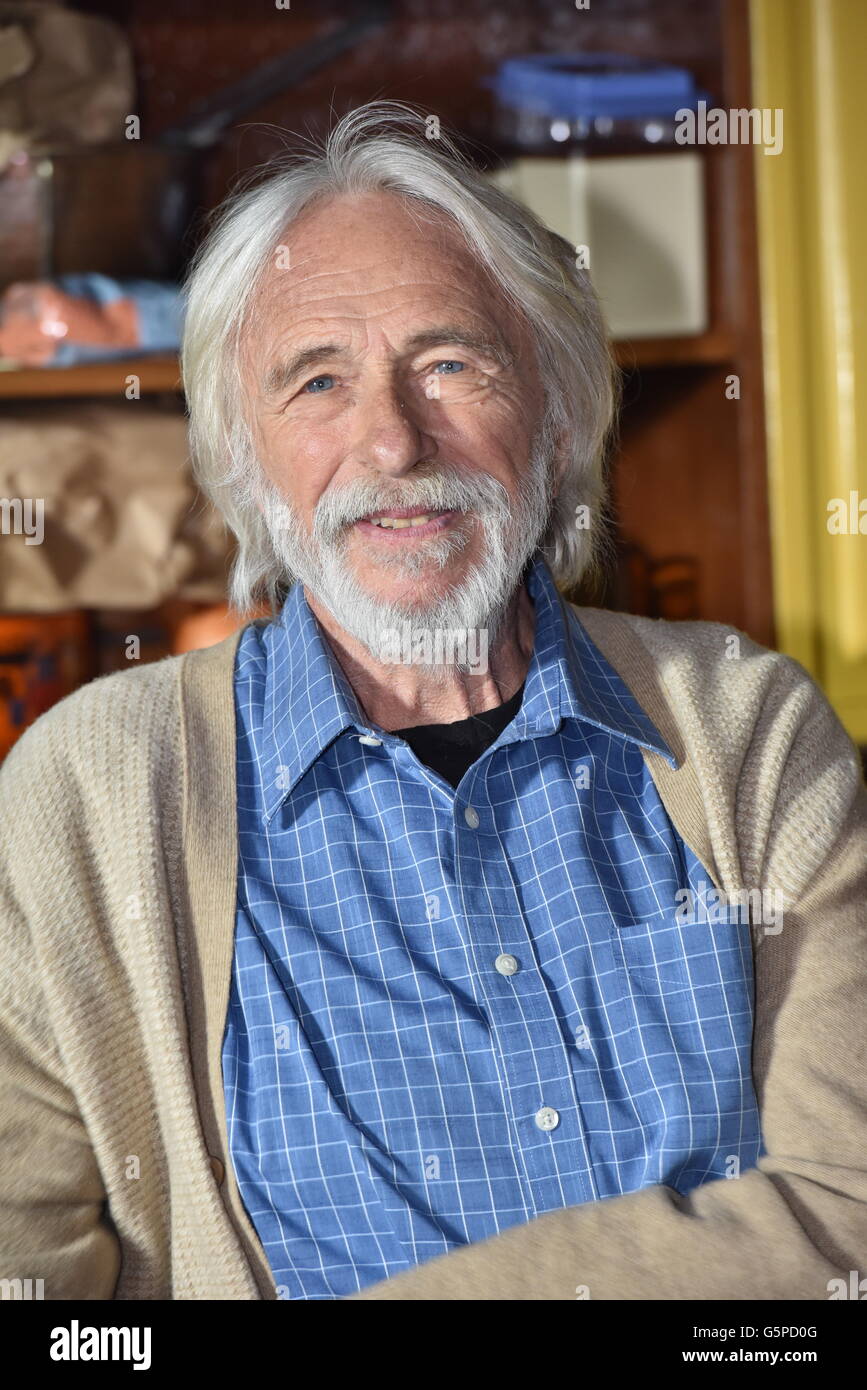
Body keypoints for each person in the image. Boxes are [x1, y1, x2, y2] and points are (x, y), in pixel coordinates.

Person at [1, 102, 865, 1302]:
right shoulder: (85, 797)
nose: (394, 443)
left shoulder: (749, 733)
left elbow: (846, 1214)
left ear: (557, 416)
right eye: (317, 382)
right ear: (244, 457)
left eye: (450, 364)